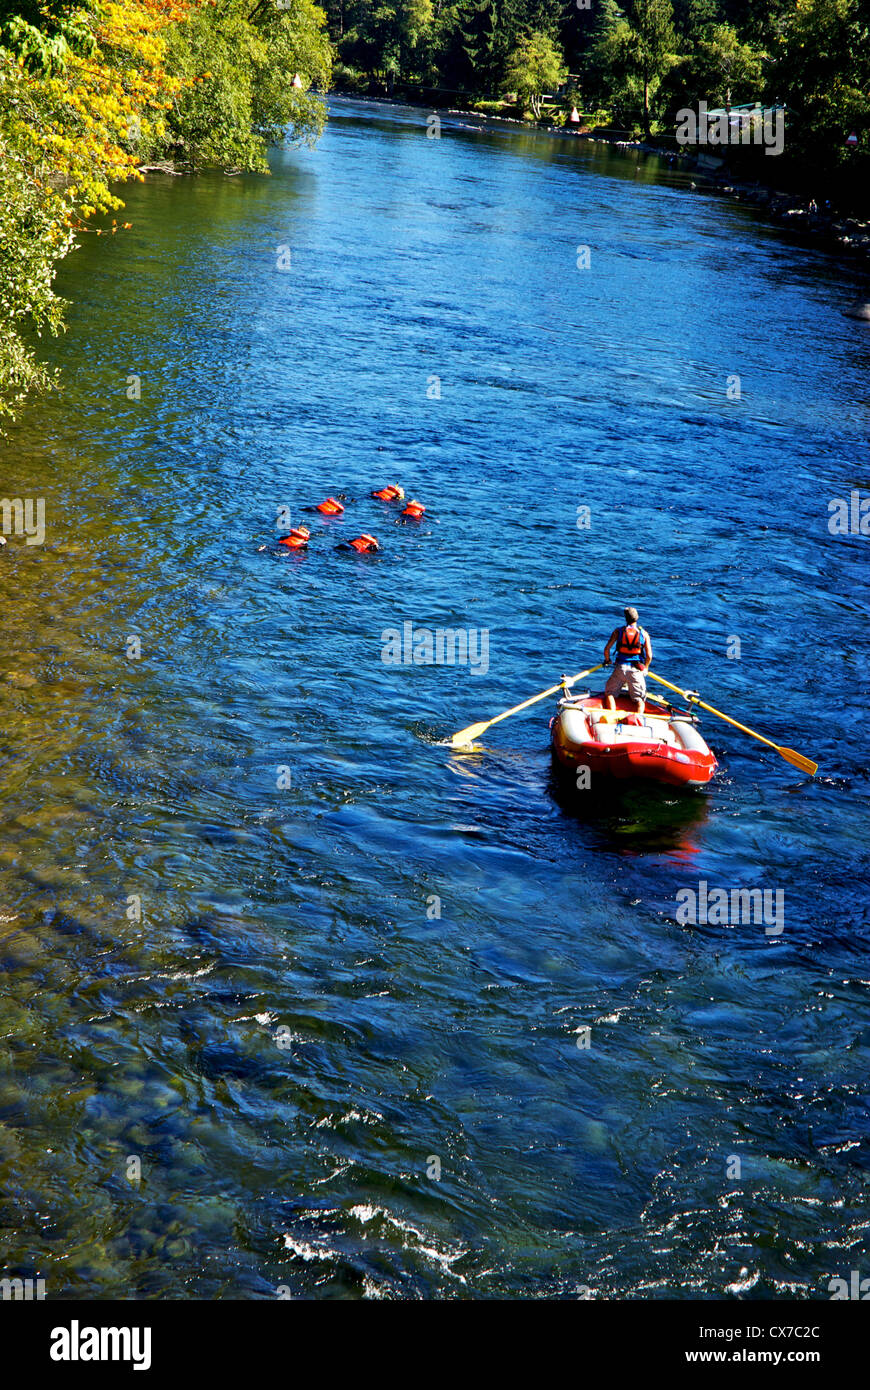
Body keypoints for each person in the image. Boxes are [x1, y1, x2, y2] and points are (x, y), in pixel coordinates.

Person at [603, 607, 652, 716]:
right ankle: (638, 718)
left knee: (610, 693)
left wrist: (607, 660)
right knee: (640, 699)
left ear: (625, 618)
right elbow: (649, 655)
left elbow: (607, 649)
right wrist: (646, 668)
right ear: (637, 618)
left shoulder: (618, 631)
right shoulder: (644, 634)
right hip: (636, 670)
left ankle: (612, 715)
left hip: (620, 668)